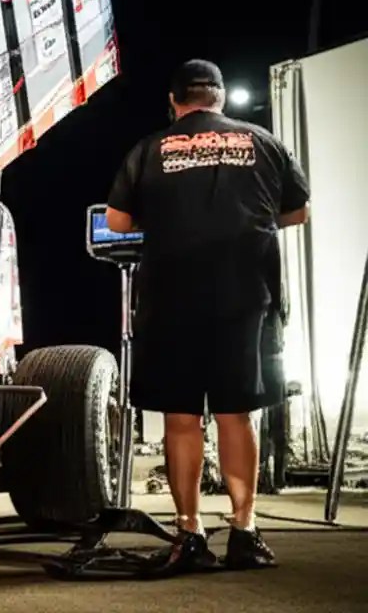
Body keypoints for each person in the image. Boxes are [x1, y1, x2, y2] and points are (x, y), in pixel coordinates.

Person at [105, 59, 311, 577]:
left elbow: (117, 220)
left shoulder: (150, 148)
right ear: (218, 97)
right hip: (245, 297)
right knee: (236, 413)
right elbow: (299, 211)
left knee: (181, 417)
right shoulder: (264, 142)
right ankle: (244, 531)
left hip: (171, 298)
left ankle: (189, 532)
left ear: (174, 102)